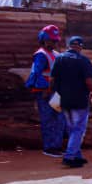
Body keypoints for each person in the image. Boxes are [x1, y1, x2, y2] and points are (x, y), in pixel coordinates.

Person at [48, 35, 92, 168]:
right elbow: (88, 81)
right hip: (80, 99)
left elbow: (52, 79)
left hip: (64, 99)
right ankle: (69, 156)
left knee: (71, 128)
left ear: (69, 46)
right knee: (79, 128)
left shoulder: (59, 59)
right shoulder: (83, 60)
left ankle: (77, 156)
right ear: (80, 46)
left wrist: (53, 93)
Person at [25, 24, 65, 155]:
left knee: (59, 118)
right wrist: (44, 90)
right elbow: (36, 73)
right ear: (43, 39)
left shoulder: (57, 54)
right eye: (51, 40)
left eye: (55, 41)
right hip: (45, 92)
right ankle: (49, 148)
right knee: (47, 119)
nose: (53, 43)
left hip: (56, 92)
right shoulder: (40, 55)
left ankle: (57, 146)